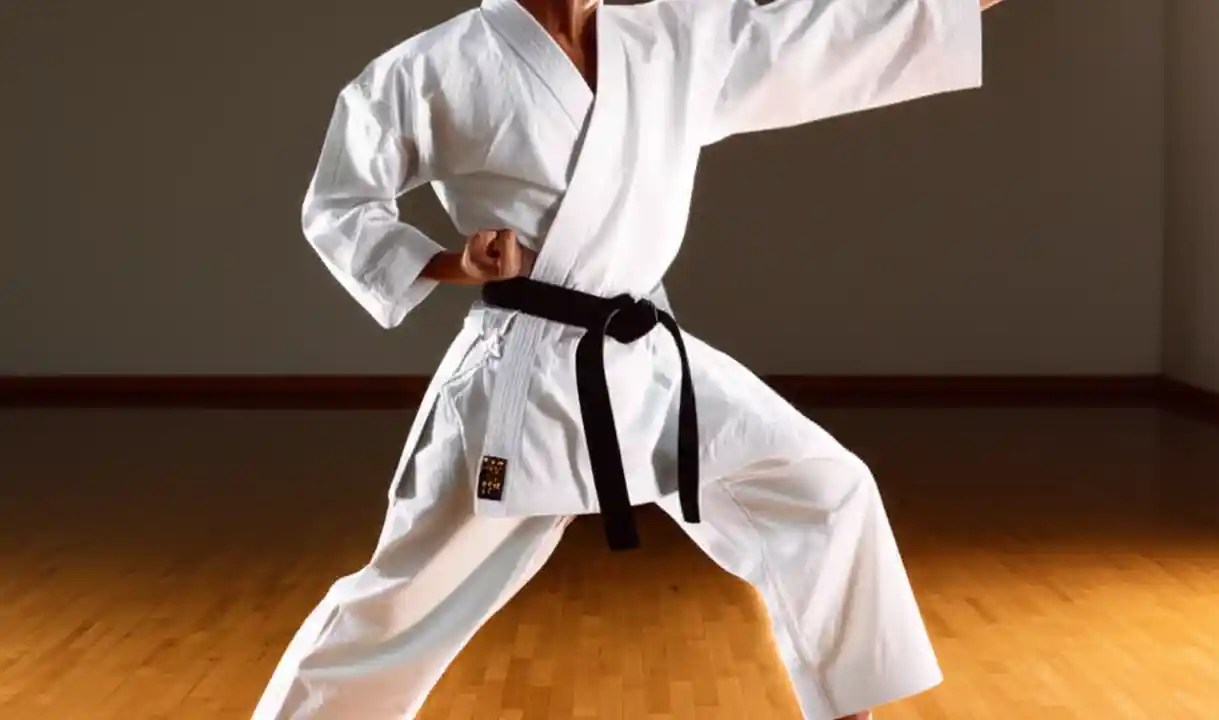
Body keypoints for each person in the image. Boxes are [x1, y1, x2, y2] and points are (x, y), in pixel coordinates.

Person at [254, 0, 1005, 717]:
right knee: (399, 604)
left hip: (644, 361)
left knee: (826, 491)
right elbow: (338, 201)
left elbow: (828, 33)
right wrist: (456, 263)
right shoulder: (441, 64)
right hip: (523, 381)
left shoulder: (671, 40)